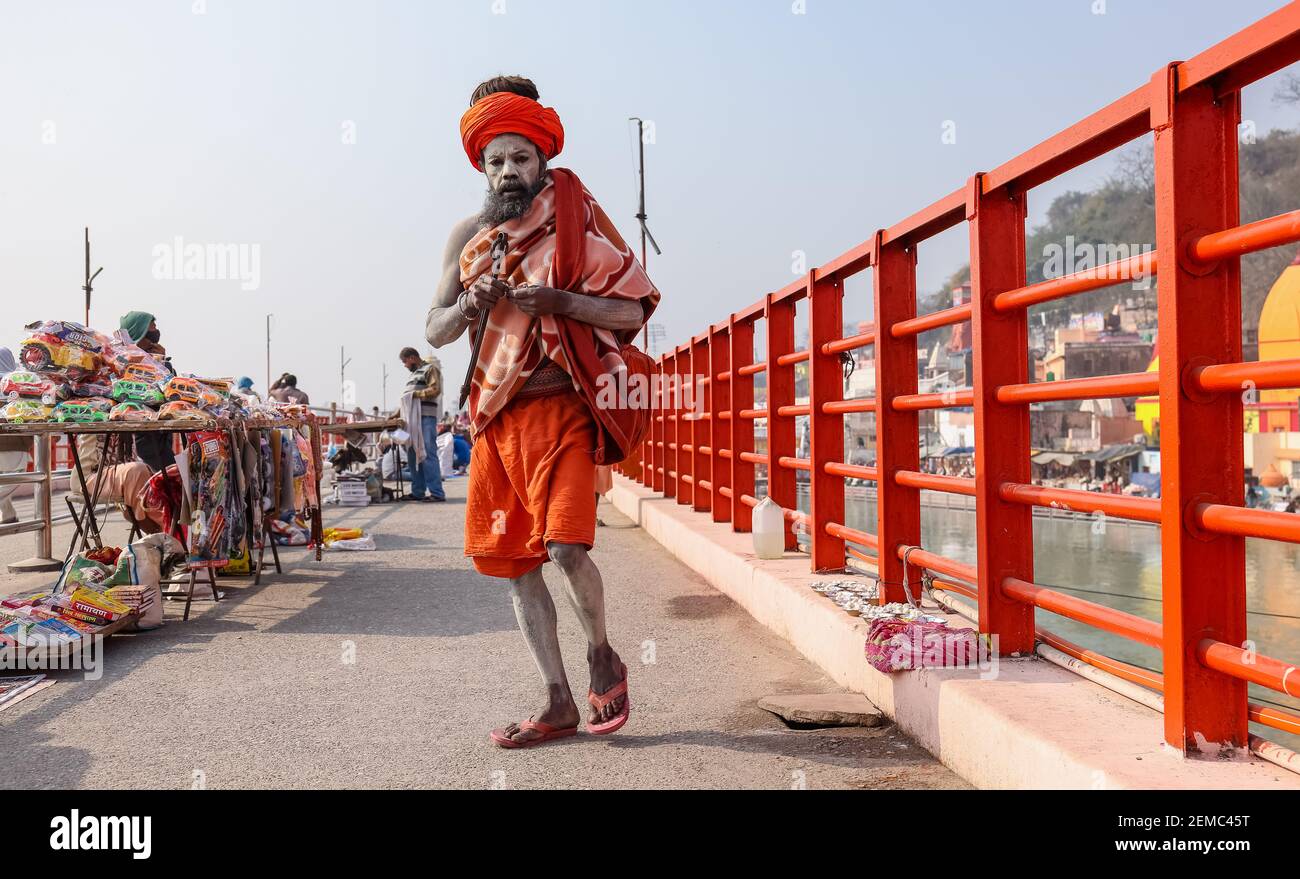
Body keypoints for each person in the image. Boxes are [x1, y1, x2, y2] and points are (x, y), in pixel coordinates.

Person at [426, 76, 659, 748]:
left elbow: (631, 308)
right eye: (496, 161)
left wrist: (561, 301)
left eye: (521, 159)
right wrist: (474, 301)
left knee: (564, 546)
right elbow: (436, 328)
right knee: (516, 563)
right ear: (481, 164)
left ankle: (602, 654)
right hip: (495, 420)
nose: (508, 172)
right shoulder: (468, 238)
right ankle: (556, 700)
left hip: (563, 410)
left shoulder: (574, 223)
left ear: (543, 160)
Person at [69, 433, 165, 534]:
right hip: (90, 475)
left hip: (122, 469)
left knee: (166, 476)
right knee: (138, 470)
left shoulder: (128, 417)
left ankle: (163, 532)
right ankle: (154, 530)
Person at [118, 312, 175, 473]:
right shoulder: (124, 360)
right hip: (144, 435)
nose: (156, 331)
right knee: (168, 477)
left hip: (160, 432)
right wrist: (159, 364)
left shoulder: (154, 356)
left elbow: (171, 390)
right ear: (140, 331)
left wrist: (162, 362)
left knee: (170, 474)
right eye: (152, 326)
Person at [398, 347, 445, 502]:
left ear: (412, 358)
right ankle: (417, 491)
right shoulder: (412, 376)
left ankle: (437, 493)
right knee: (412, 454)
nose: (404, 365)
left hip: (426, 418)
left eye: (405, 361)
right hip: (412, 420)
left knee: (428, 452)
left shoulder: (429, 369)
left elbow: (435, 389)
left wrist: (414, 395)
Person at [0, 348, 32, 524]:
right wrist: (16, 422)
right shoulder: (17, 388)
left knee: (4, 482)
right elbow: (21, 417)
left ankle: (8, 514)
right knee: (11, 480)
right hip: (13, 444)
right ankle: (8, 514)